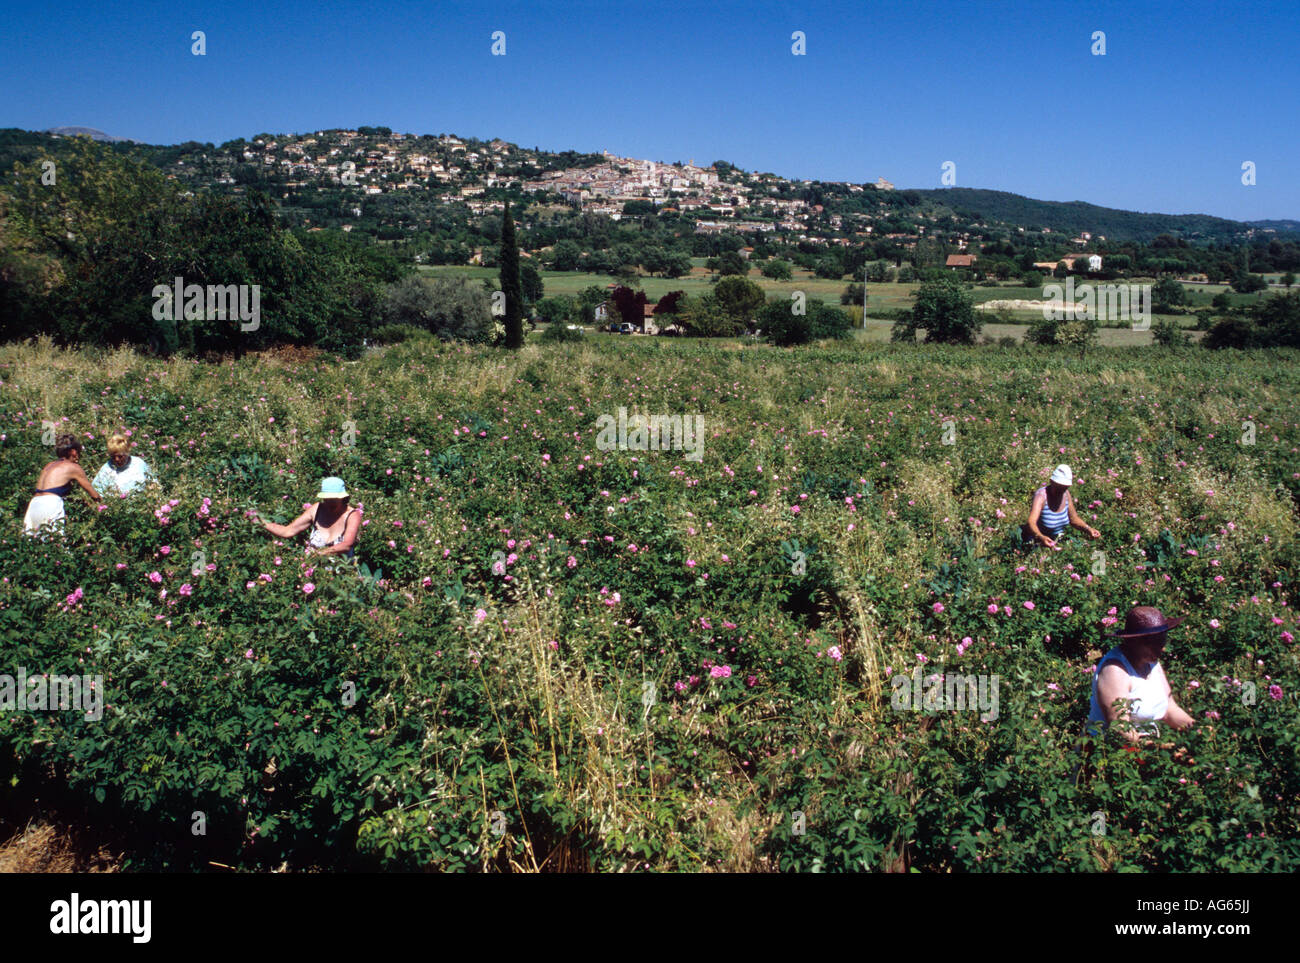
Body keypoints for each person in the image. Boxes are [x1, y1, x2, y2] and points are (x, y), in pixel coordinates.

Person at [1087, 606, 1195, 743]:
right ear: (1134, 641)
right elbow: (1119, 729)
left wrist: (1198, 730)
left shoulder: (1152, 663)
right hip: (1108, 753)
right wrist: (1159, 749)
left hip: (1145, 748)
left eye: (1162, 640)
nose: (1162, 648)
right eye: (1155, 643)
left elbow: (1170, 710)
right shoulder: (1115, 670)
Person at [253, 476, 360, 559]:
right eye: (327, 499)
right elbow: (287, 531)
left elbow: (346, 545)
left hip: (343, 578)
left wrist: (320, 553)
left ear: (342, 498)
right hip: (315, 574)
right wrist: (260, 522)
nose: (330, 502)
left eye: (334, 499)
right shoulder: (316, 510)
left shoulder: (352, 515)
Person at [24, 433, 103, 535]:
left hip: (34, 504)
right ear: (73, 452)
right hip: (50, 504)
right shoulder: (73, 467)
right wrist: (105, 506)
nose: (78, 457)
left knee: (31, 543)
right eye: (78, 453)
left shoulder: (49, 465)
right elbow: (94, 495)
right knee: (55, 544)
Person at [1022, 464, 1099, 547]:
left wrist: (1088, 529)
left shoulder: (1066, 494)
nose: (1061, 491)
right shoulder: (1041, 496)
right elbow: (1031, 522)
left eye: (1064, 488)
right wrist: (1041, 537)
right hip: (1037, 541)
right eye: (1058, 487)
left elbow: (1073, 519)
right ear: (1051, 481)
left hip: (1057, 541)